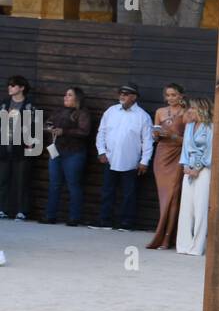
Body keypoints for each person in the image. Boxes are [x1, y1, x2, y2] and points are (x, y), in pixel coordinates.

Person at [94, 83, 153, 230]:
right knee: (107, 192)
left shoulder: (143, 116)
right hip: (110, 158)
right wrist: (101, 151)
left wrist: (144, 161)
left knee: (129, 194)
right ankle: (104, 221)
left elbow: (147, 141)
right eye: (121, 93)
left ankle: (126, 223)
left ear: (134, 97)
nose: (122, 96)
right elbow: (101, 132)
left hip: (131, 161)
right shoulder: (111, 111)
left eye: (126, 94)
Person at [146, 83, 188, 249]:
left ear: (181, 96)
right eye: (168, 95)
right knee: (164, 196)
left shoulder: (187, 113)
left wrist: (173, 136)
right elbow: (155, 137)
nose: (171, 98)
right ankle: (161, 235)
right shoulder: (159, 112)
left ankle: (167, 238)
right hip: (161, 155)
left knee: (174, 196)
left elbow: (189, 140)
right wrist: (156, 135)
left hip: (177, 154)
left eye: (174, 95)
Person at [43, 87, 92, 226]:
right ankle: (50, 216)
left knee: (73, 185)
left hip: (74, 153)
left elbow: (85, 131)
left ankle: (74, 217)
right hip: (56, 151)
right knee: (54, 184)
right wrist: (48, 127)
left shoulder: (82, 113)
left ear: (77, 98)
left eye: (69, 95)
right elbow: (49, 122)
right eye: (65, 94)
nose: (65, 97)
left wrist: (63, 131)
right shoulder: (59, 110)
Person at [175, 97, 213, 255]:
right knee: (186, 208)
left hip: (203, 170)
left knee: (200, 207)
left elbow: (210, 150)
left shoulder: (211, 127)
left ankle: (197, 247)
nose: (189, 111)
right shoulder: (189, 126)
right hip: (188, 169)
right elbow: (185, 148)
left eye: (192, 108)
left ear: (202, 109)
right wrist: (185, 166)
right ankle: (183, 245)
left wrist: (197, 168)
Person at [0, 77, 39, 221]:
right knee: (3, 179)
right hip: (5, 145)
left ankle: (22, 211)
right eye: (9, 85)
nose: (10, 87)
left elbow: (35, 125)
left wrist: (32, 146)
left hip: (22, 147)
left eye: (13, 85)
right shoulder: (4, 103)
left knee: (22, 180)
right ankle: (2, 209)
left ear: (22, 88)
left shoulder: (30, 105)